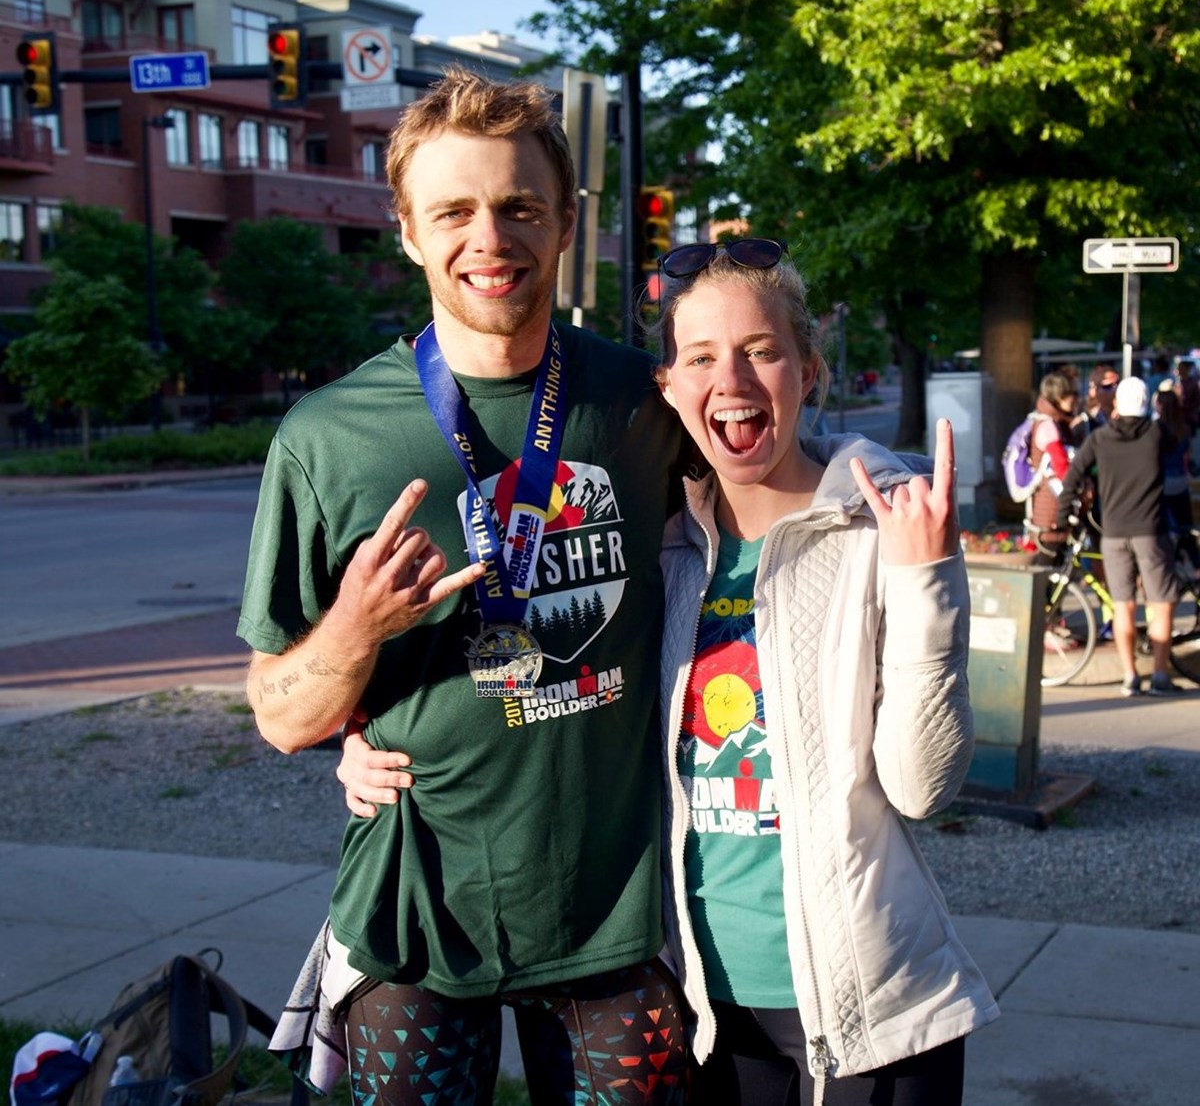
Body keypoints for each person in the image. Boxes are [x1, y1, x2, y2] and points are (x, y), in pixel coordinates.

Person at [344, 240, 1000, 1104]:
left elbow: (923, 785)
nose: (732, 378)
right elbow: (538, 683)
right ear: (669, 389)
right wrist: (364, 739)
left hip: (867, 1003)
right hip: (707, 1002)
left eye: (762, 351)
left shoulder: (885, 530)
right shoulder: (661, 547)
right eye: (701, 356)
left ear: (810, 369)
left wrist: (924, 581)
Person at [238, 68, 689, 1105]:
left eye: (520, 206)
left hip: (612, 914)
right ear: (406, 230)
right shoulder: (328, 434)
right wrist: (352, 631)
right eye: (454, 211)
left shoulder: (638, 399)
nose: (490, 237)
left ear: (566, 220)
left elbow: (771, 501)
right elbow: (277, 710)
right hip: (417, 923)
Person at [1058, 376, 1183, 698]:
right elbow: (1173, 440)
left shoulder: (1100, 439)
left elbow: (1072, 476)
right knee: (1162, 604)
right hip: (1151, 532)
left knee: (1123, 606)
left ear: (1116, 405)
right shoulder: (1156, 434)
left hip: (1113, 534)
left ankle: (1129, 676)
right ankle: (1159, 675)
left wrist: (1064, 516)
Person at [1025, 370, 1080, 561]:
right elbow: (1063, 470)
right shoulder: (1049, 427)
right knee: (1049, 570)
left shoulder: (1053, 422)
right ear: (1058, 397)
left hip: (1050, 506)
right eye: (1071, 394)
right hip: (1052, 511)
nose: (1075, 399)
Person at [1154, 382, 1200, 576]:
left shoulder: (1155, 430)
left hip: (1163, 483)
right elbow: (1187, 458)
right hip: (1180, 481)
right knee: (1185, 526)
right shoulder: (1183, 429)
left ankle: (1172, 562)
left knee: (1164, 527)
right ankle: (1196, 564)